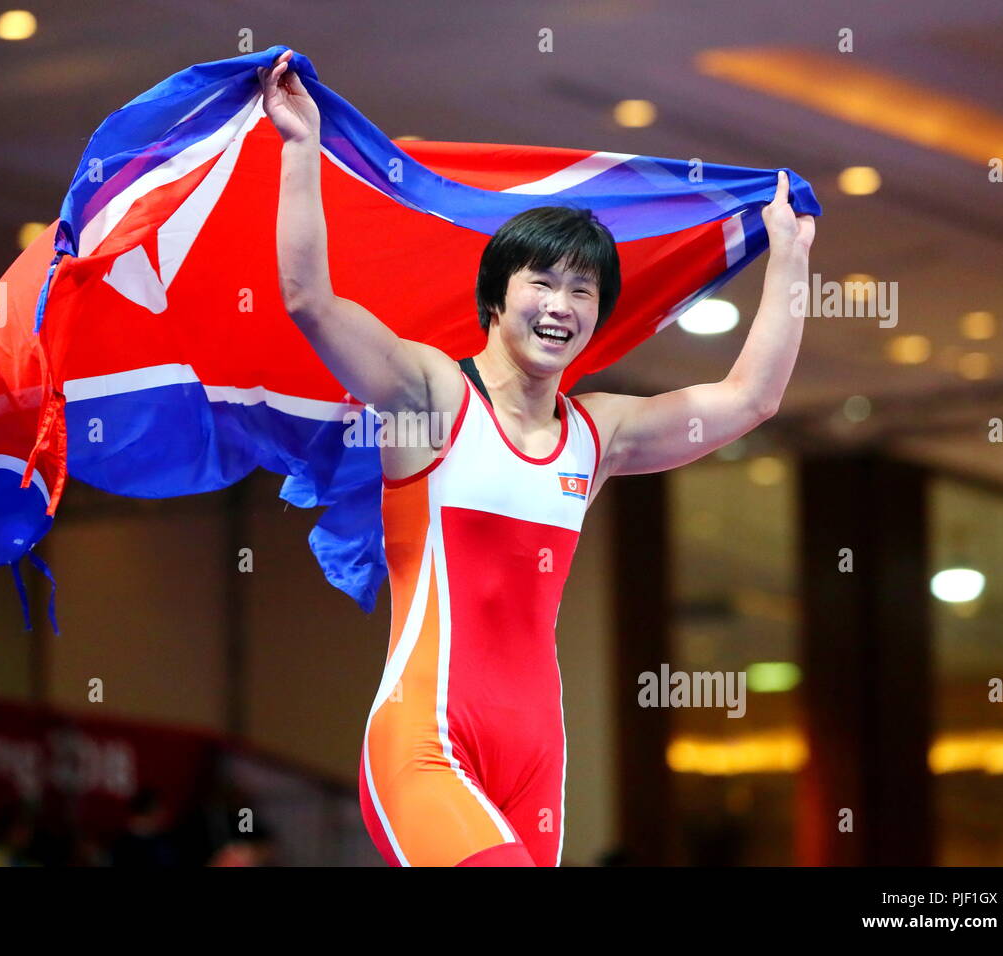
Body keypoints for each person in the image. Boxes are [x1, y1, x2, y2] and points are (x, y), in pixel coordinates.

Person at [258, 49, 814, 866]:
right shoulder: (430, 396)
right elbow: (311, 301)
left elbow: (750, 399)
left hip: (537, 760)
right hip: (425, 744)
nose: (562, 305)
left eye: (583, 291)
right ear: (495, 296)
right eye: (542, 283)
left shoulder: (599, 433)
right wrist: (302, 147)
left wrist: (791, 257)